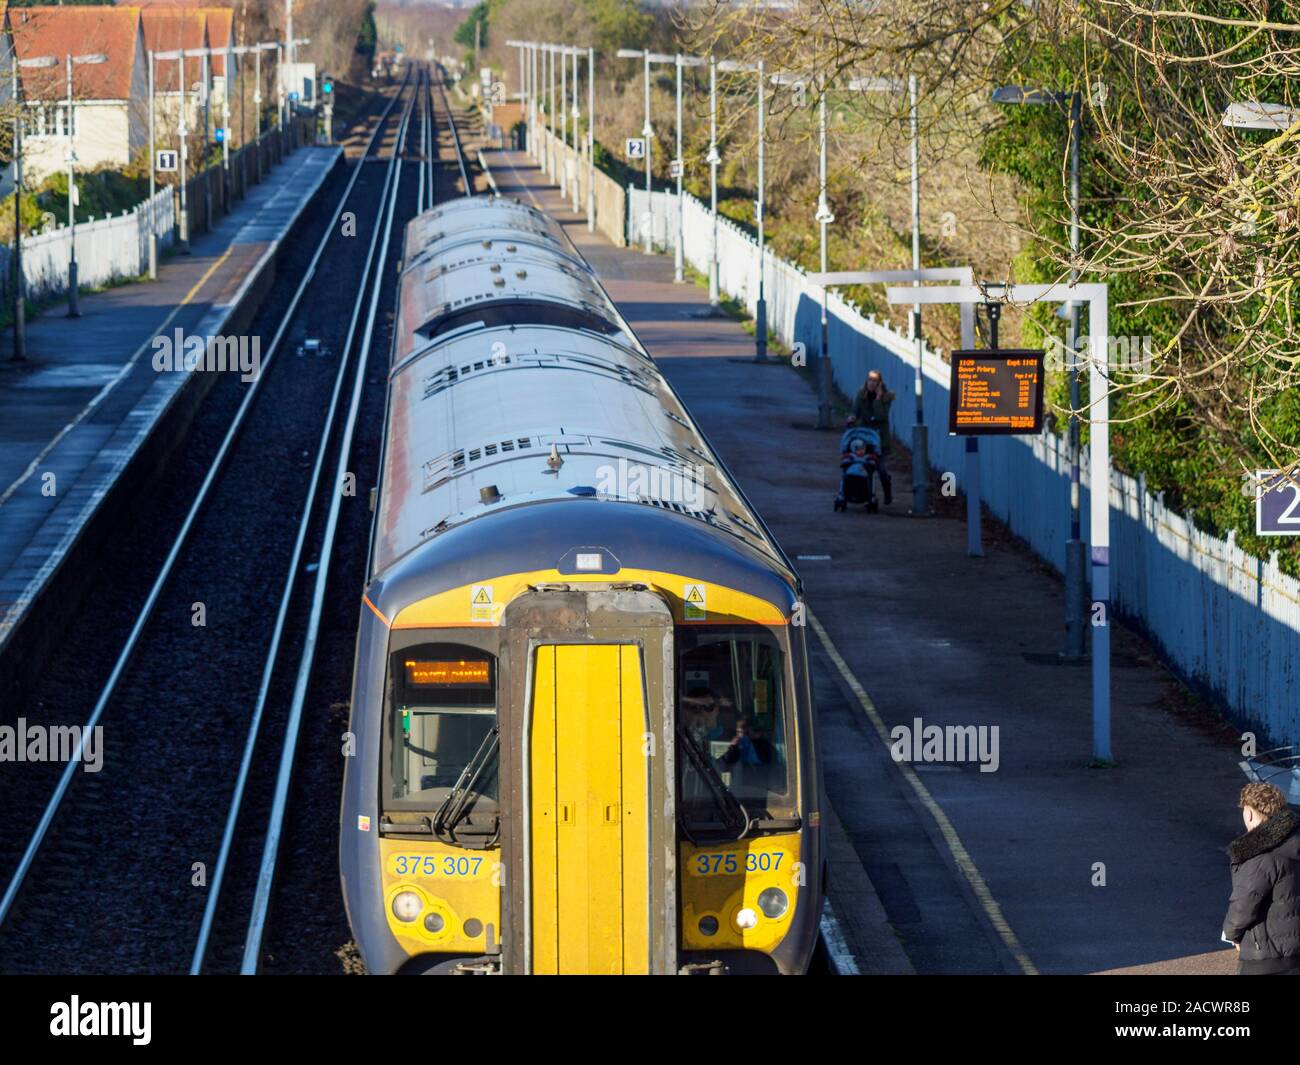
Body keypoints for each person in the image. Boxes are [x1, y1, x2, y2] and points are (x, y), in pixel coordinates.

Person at [1221, 781, 1300, 975]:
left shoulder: (1261, 855)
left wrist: (1231, 934)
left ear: (1248, 813)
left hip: (1265, 956)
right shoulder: (1295, 840)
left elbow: (1243, 904)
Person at [850, 370, 894, 505]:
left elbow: (881, 416)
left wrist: (877, 400)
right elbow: (855, 411)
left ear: (879, 383)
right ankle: (865, 493)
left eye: (875, 380)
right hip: (864, 436)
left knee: (881, 469)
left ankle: (887, 492)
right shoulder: (861, 394)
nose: (872, 383)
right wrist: (851, 417)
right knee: (863, 465)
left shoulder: (886, 398)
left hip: (879, 439)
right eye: (870, 379)